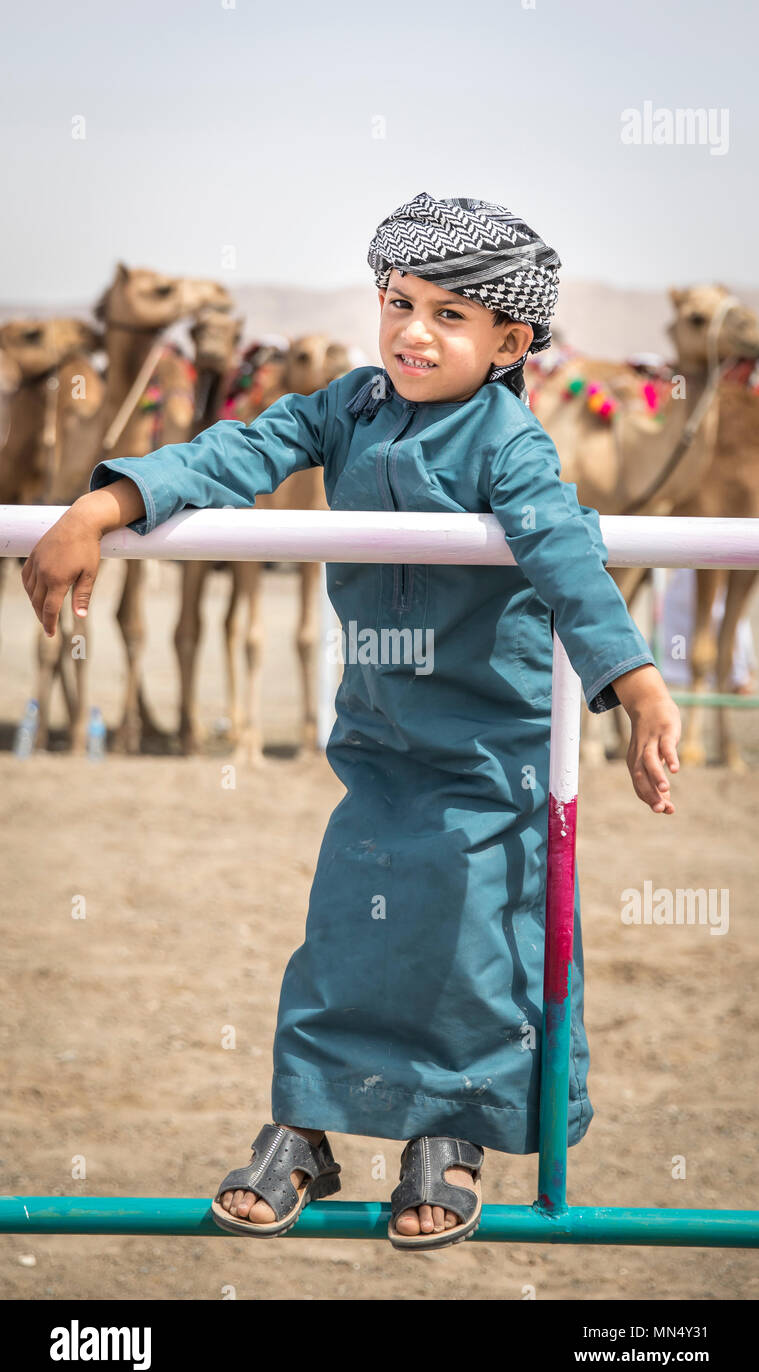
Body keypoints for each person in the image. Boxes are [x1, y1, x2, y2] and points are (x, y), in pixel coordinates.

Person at [21, 192, 681, 1252]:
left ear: (512, 342)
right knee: (344, 934)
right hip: (376, 741)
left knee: (471, 948)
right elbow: (235, 453)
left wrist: (638, 682)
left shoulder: (511, 444)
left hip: (485, 752)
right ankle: (308, 1129)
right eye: (399, 301)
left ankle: (445, 1137)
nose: (413, 331)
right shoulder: (350, 406)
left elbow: (565, 555)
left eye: (450, 316)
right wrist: (105, 505)